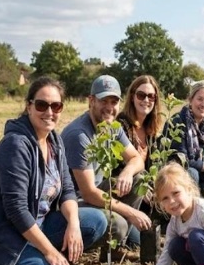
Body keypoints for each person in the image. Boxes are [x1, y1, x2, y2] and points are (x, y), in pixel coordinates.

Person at [0, 77, 107, 265]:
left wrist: (72, 224)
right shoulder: (16, 146)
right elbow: (17, 210)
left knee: (95, 222)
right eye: (42, 105)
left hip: (37, 227)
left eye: (56, 106)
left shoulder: (54, 141)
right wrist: (50, 252)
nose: (49, 112)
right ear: (29, 105)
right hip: (7, 240)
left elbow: (67, 191)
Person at [61, 75, 152, 251]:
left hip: (97, 192)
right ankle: (112, 244)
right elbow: (88, 193)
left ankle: (118, 242)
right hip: (74, 201)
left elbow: (137, 159)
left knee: (139, 179)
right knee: (119, 226)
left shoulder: (112, 127)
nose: (109, 107)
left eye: (114, 101)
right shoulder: (79, 135)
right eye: (104, 101)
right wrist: (131, 212)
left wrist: (126, 173)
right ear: (91, 101)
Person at [166, 80, 204, 197]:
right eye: (199, 99)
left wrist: (203, 193)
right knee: (192, 172)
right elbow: (181, 161)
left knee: (201, 169)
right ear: (191, 100)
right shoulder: (177, 122)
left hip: (195, 176)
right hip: (172, 177)